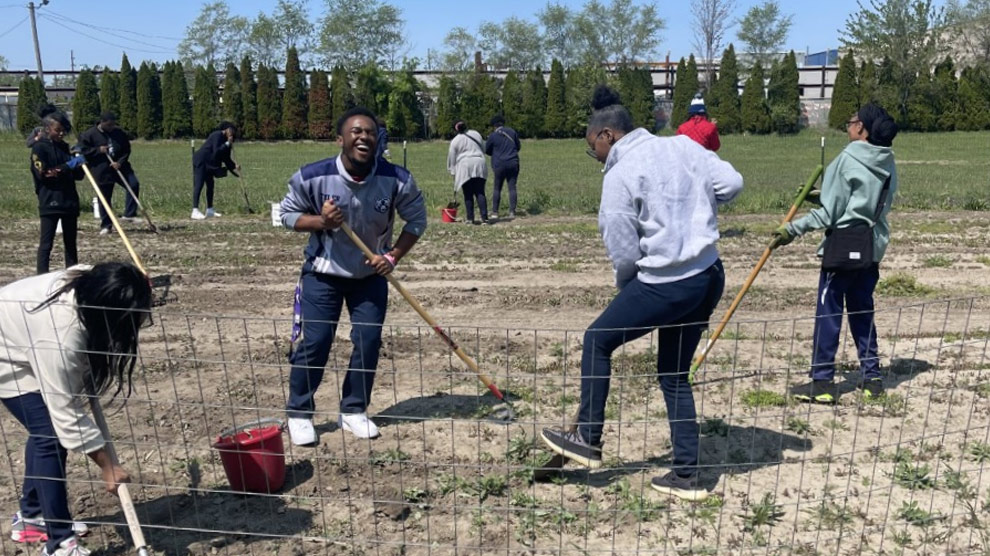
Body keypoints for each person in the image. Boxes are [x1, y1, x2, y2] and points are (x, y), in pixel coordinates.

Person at [540, 86, 743, 501]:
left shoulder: (620, 175)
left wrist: (628, 286)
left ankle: (587, 438)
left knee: (597, 340)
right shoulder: (684, 146)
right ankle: (686, 476)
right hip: (708, 275)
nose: (596, 157)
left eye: (593, 148)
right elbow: (732, 183)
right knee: (673, 374)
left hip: (665, 284)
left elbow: (622, 248)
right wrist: (696, 206)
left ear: (607, 135)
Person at [278, 107, 427, 446]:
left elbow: (417, 221)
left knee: (368, 340)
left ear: (377, 140)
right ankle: (299, 412)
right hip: (323, 274)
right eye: (356, 131)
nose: (363, 137)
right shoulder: (312, 176)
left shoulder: (397, 179)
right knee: (316, 341)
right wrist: (321, 222)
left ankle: (354, 410)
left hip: (371, 275)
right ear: (340, 139)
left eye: (370, 132)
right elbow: (286, 215)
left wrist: (393, 256)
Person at [0, 262, 151, 556]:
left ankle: (32, 516)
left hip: (21, 335)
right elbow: (66, 415)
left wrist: (139, 285)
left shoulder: (91, 280)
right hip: (5, 357)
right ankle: (59, 543)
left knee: (44, 433)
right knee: (49, 436)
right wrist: (108, 467)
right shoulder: (60, 338)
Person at [773, 103, 899, 404]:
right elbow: (865, 202)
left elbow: (830, 215)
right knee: (862, 311)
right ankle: (872, 378)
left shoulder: (847, 158)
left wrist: (792, 229)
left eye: (851, 121)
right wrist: (823, 196)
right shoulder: (887, 160)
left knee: (828, 312)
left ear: (862, 128)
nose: (848, 125)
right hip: (870, 246)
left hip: (842, 247)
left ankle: (822, 382)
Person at [30, 104, 85, 275]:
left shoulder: (66, 148)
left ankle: (72, 276)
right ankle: (41, 276)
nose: (61, 134)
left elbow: (78, 176)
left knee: (71, 243)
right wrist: (68, 166)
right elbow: (44, 174)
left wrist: (80, 164)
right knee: (46, 244)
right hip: (50, 200)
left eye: (63, 131)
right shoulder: (39, 148)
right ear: (48, 129)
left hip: (69, 200)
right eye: (57, 130)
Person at [78, 112, 142, 235]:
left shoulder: (119, 133)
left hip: (120, 167)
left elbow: (126, 149)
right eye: (108, 125)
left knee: (133, 184)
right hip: (101, 169)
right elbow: (82, 150)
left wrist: (120, 162)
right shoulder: (89, 134)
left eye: (113, 124)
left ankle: (129, 214)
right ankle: (106, 225)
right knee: (104, 197)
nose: (111, 127)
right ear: (101, 122)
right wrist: (98, 150)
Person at [191, 121, 240, 220]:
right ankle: (195, 210)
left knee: (210, 185)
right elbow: (216, 151)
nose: (232, 133)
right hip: (201, 160)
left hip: (210, 164)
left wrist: (234, 166)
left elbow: (226, 159)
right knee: (199, 184)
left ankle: (210, 209)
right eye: (231, 130)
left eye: (233, 131)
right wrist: (227, 143)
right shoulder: (217, 135)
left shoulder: (227, 142)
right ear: (226, 129)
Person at [447, 120, 489, 225]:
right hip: (479, 163)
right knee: (480, 192)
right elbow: (484, 148)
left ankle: (470, 218)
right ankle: (485, 218)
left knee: (468, 193)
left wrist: (452, 171)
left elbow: (452, 158)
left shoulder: (455, 141)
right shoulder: (476, 134)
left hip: (464, 165)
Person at [484, 115, 521, 220]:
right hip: (513, 162)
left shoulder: (493, 136)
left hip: (499, 164)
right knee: (512, 187)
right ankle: (512, 211)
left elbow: (487, 150)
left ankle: (495, 211)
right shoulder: (512, 132)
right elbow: (518, 146)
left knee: (497, 188)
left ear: (494, 126)